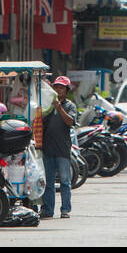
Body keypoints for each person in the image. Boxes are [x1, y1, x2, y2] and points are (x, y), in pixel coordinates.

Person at [41, 75, 77, 219]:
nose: (58, 90)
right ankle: (48, 210)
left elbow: (70, 122)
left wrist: (59, 108)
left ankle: (65, 209)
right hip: (47, 148)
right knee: (48, 183)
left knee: (65, 182)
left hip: (62, 150)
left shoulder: (70, 106)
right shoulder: (46, 104)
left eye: (61, 87)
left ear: (66, 90)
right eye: (56, 87)